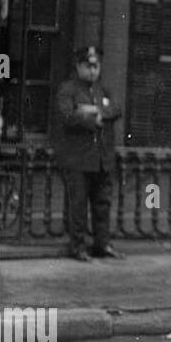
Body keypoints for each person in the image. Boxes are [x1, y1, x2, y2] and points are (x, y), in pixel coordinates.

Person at [55, 46, 124, 262]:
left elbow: (117, 109)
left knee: (102, 204)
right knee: (78, 206)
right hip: (78, 159)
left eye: (97, 66)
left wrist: (92, 111)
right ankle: (77, 247)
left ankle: (102, 245)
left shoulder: (103, 90)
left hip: (102, 159)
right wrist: (93, 118)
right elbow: (67, 116)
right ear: (79, 66)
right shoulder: (68, 89)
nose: (93, 70)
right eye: (89, 66)